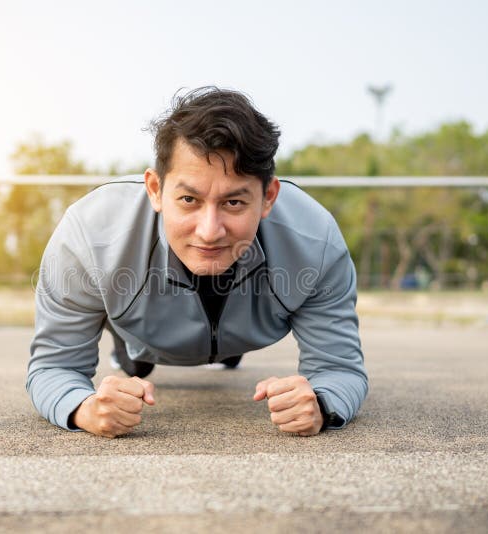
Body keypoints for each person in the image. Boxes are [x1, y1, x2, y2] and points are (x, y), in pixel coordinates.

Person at [26, 86, 368, 438]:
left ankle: (226, 350)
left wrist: (322, 405)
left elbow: (340, 369)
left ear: (268, 197)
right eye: (189, 198)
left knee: (226, 348)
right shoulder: (88, 235)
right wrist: (84, 408)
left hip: (241, 333)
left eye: (233, 203)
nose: (209, 232)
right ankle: (133, 353)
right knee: (135, 363)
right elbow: (52, 368)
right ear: (155, 190)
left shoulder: (317, 240)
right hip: (145, 333)